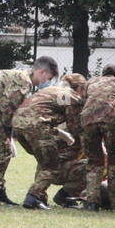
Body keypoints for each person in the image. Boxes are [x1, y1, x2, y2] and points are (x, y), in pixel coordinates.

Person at [0, 56, 60, 206]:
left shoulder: (23, 77)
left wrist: (10, 137)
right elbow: (8, 109)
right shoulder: (23, 81)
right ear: (41, 72)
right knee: (1, 152)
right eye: (49, 78)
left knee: (3, 150)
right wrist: (10, 138)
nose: (48, 82)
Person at [14, 73, 88, 210]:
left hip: (18, 124)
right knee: (50, 165)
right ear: (79, 88)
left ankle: (41, 197)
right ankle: (33, 197)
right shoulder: (72, 97)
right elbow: (75, 127)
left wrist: (60, 134)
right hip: (36, 125)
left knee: (44, 160)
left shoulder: (52, 91)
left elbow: (43, 112)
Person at [79, 64, 115, 211]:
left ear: (103, 74)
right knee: (114, 160)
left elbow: (82, 103)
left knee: (94, 162)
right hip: (111, 120)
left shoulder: (90, 83)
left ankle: (92, 203)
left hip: (88, 121)